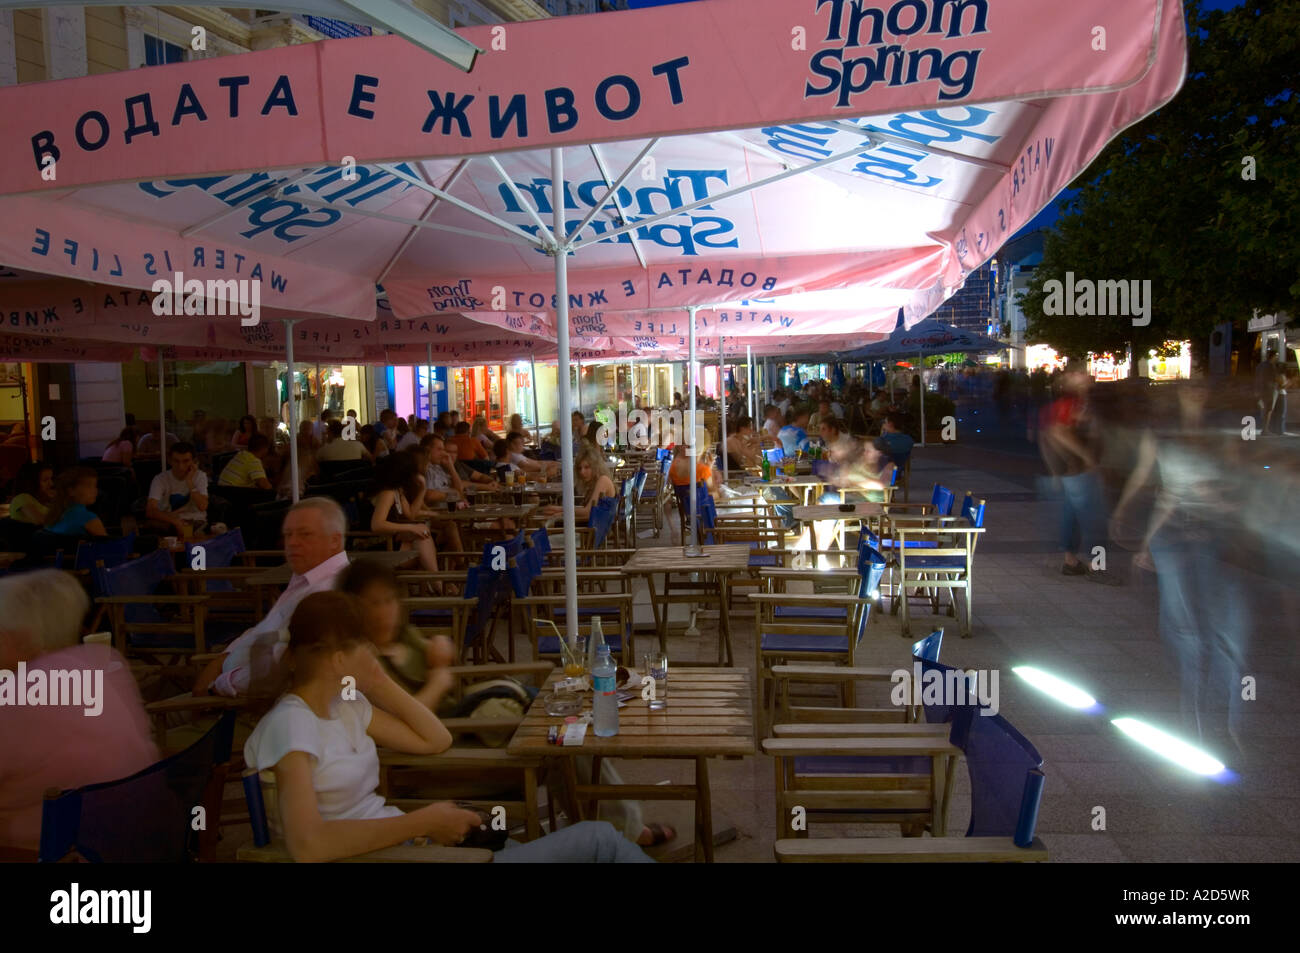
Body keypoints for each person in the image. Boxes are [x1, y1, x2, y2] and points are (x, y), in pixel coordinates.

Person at [243, 591, 653, 863]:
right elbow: (307, 845)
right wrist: (422, 822)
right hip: (394, 853)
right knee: (600, 842)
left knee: (561, 845)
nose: (372, 651)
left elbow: (435, 739)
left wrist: (379, 682)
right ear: (336, 659)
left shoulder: (348, 704)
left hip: (410, 844)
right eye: (361, 644)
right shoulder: (291, 725)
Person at [0, 571, 159, 854]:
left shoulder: (19, 696)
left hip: (63, 851)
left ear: (18, 637)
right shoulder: (102, 663)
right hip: (143, 835)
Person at [199, 497, 352, 697]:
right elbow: (267, 629)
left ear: (334, 540)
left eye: (305, 535)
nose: (292, 543)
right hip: (229, 678)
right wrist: (222, 658)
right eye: (288, 535)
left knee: (158, 721)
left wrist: (218, 684)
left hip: (247, 706)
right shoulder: (306, 577)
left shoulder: (326, 593)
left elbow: (278, 669)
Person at [1039, 368, 1116, 583]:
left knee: (1071, 517)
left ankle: (1070, 561)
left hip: (1071, 472)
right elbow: (1057, 432)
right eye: (1078, 374)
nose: (1085, 374)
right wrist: (1087, 457)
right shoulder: (1072, 404)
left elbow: (1047, 436)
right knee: (1096, 522)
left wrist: (1055, 471)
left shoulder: (1069, 404)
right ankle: (1096, 566)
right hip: (1080, 471)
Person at [370, 451, 441, 575]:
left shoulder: (398, 491)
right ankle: (438, 583)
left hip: (391, 541)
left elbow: (411, 515)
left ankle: (437, 583)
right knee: (423, 539)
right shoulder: (388, 493)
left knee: (423, 536)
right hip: (378, 543)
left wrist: (422, 489)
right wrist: (411, 528)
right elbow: (377, 525)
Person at [145, 442, 207, 535]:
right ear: (170, 460)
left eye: (185, 461)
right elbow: (150, 510)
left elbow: (202, 506)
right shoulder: (160, 479)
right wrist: (175, 521)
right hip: (168, 521)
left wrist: (189, 482)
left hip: (195, 521)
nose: (180, 466)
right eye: (176, 461)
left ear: (193, 461)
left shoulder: (200, 476)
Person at [544, 450, 616, 521]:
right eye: (579, 468)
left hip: (592, 531)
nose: (582, 472)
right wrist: (561, 512)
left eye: (587, 467)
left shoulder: (603, 480)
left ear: (596, 467)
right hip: (593, 527)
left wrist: (560, 510)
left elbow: (587, 513)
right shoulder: (596, 482)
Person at [44, 467, 107, 537]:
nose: (95, 490)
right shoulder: (88, 518)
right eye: (89, 486)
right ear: (71, 490)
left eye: (95, 486)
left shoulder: (52, 517)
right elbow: (108, 546)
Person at [7, 461, 54, 525]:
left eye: (51, 479)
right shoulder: (22, 497)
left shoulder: (39, 499)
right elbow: (41, 520)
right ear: (31, 482)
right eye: (45, 480)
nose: (51, 483)